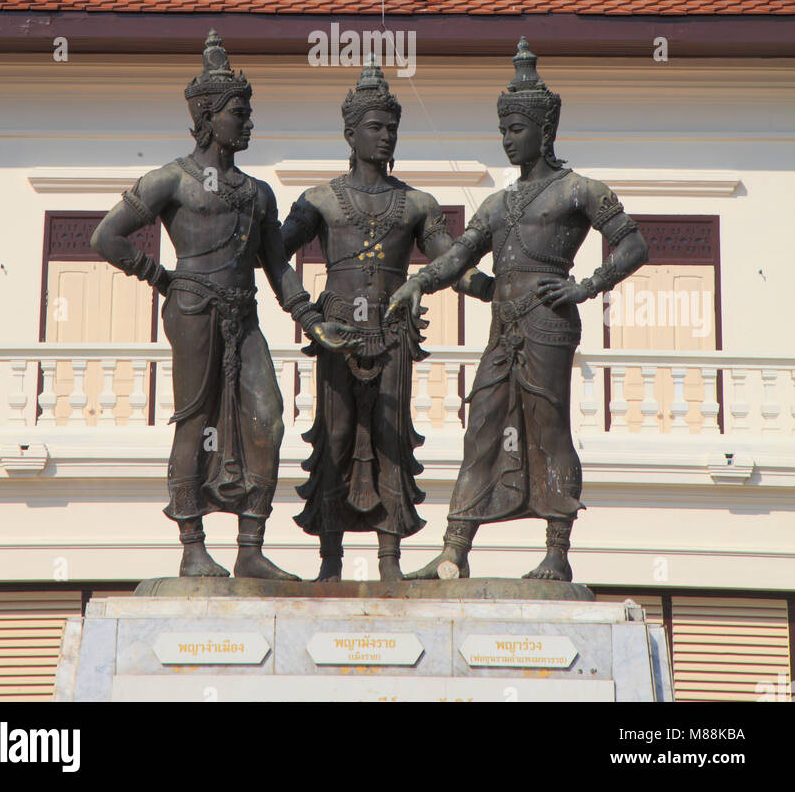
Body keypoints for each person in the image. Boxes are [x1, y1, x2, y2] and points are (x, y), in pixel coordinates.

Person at [90, 32, 354, 580]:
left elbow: (277, 264)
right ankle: (192, 544)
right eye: (240, 113)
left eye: (249, 112)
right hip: (193, 311)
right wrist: (161, 278)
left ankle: (251, 546)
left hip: (245, 315)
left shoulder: (259, 193)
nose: (249, 123)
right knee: (195, 421)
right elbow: (106, 238)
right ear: (209, 117)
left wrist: (310, 319)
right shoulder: (171, 180)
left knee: (269, 418)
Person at [387, 38, 649, 582]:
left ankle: (556, 552)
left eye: (516, 129)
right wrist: (421, 282)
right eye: (503, 130)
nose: (507, 140)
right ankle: (454, 551)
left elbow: (633, 246)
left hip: (549, 324)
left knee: (548, 426)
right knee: (481, 423)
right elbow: (459, 255)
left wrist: (586, 286)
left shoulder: (578, 190)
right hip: (502, 330)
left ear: (544, 130)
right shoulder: (496, 204)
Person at [281, 62, 493, 581]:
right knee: (333, 436)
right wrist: (304, 314)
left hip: (394, 328)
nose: (385, 136)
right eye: (375, 127)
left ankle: (390, 562)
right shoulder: (318, 201)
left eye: (391, 128)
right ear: (350, 133)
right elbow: (270, 256)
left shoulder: (417, 204)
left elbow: (451, 263)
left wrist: (496, 285)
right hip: (335, 331)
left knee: (390, 436)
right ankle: (329, 563)